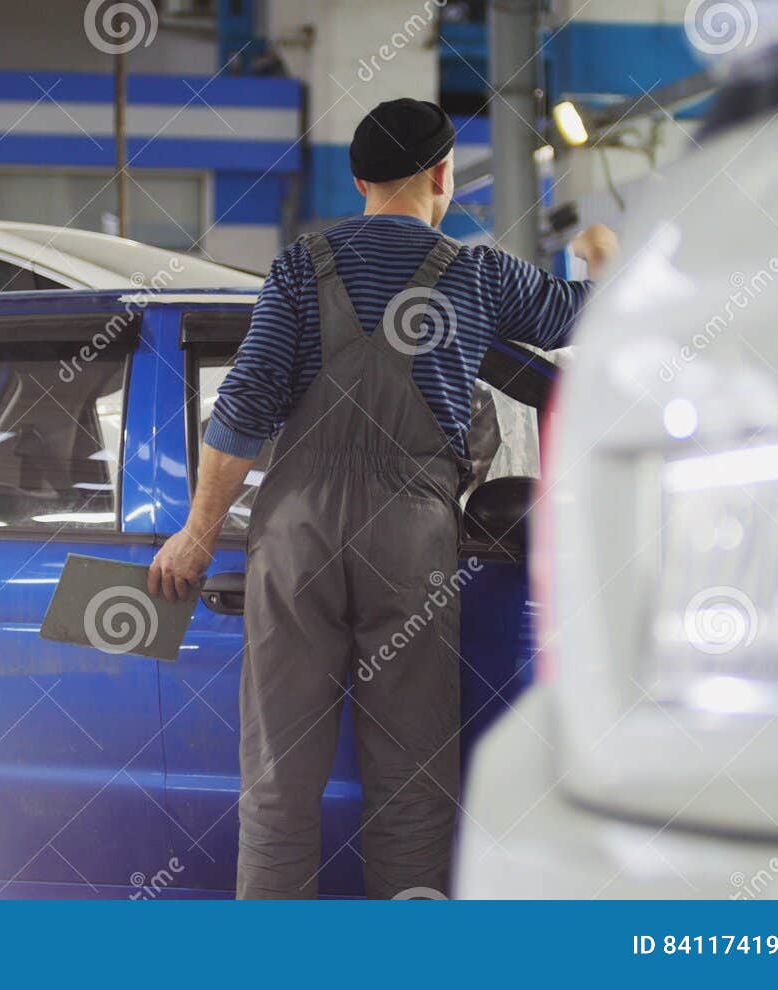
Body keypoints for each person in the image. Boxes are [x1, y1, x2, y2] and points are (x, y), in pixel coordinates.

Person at [148, 97, 617, 898]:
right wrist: (606, 261)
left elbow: (244, 408)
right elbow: (582, 316)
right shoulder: (478, 273)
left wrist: (198, 533)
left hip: (296, 536)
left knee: (277, 784)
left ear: (360, 179)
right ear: (442, 176)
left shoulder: (301, 267)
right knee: (413, 789)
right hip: (410, 537)